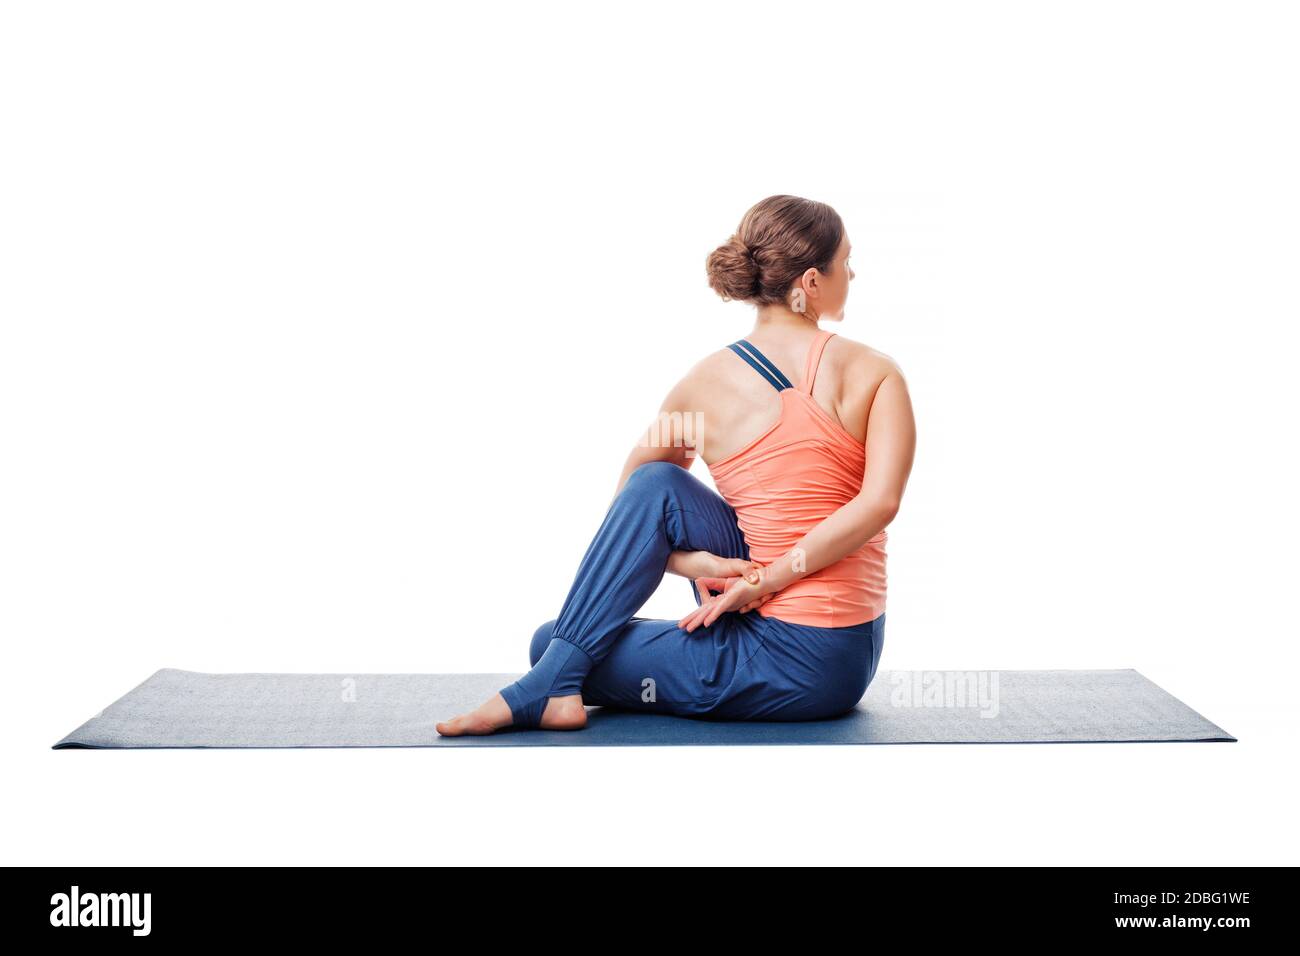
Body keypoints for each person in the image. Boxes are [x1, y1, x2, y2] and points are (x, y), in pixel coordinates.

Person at [436, 194, 916, 735]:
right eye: (846, 260)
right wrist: (701, 566)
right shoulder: (877, 372)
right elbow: (880, 502)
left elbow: (635, 495)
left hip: (796, 665)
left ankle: (551, 684)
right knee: (565, 631)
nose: (852, 272)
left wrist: (754, 581)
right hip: (848, 652)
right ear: (810, 280)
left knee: (555, 643)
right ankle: (556, 680)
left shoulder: (704, 383)